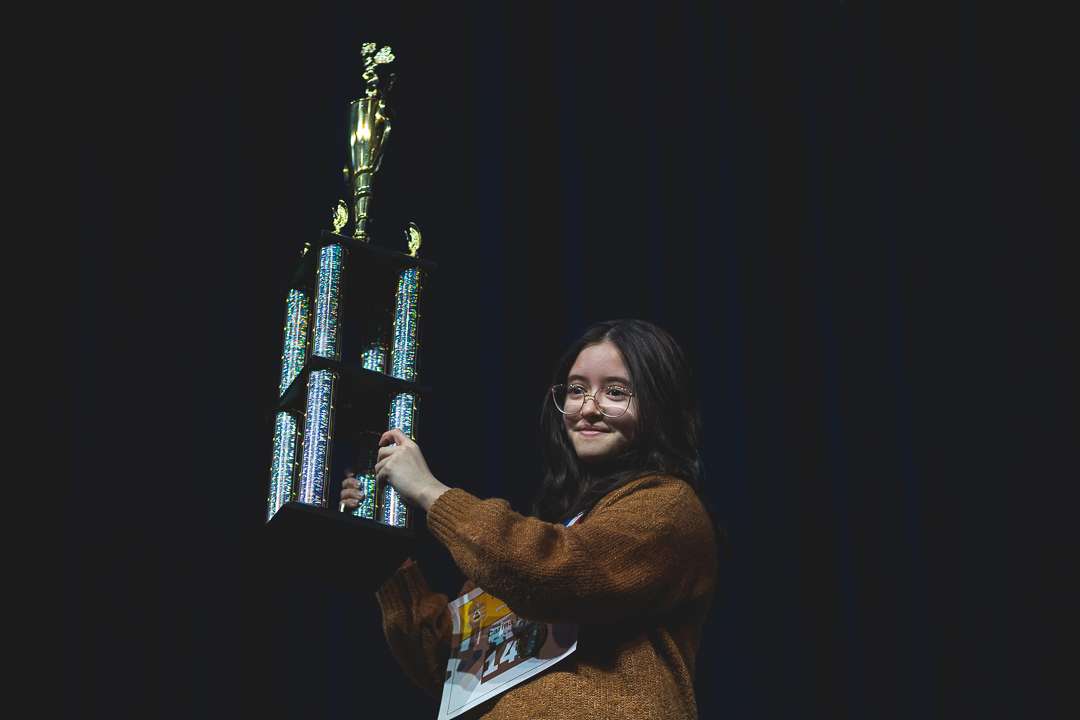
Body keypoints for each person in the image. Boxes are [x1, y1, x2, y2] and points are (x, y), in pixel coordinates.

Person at [341, 318, 719, 719]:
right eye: (576, 390)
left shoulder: (666, 506)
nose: (588, 407)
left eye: (615, 391)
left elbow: (555, 571)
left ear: (658, 404)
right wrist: (379, 546)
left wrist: (431, 493)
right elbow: (446, 666)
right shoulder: (540, 541)